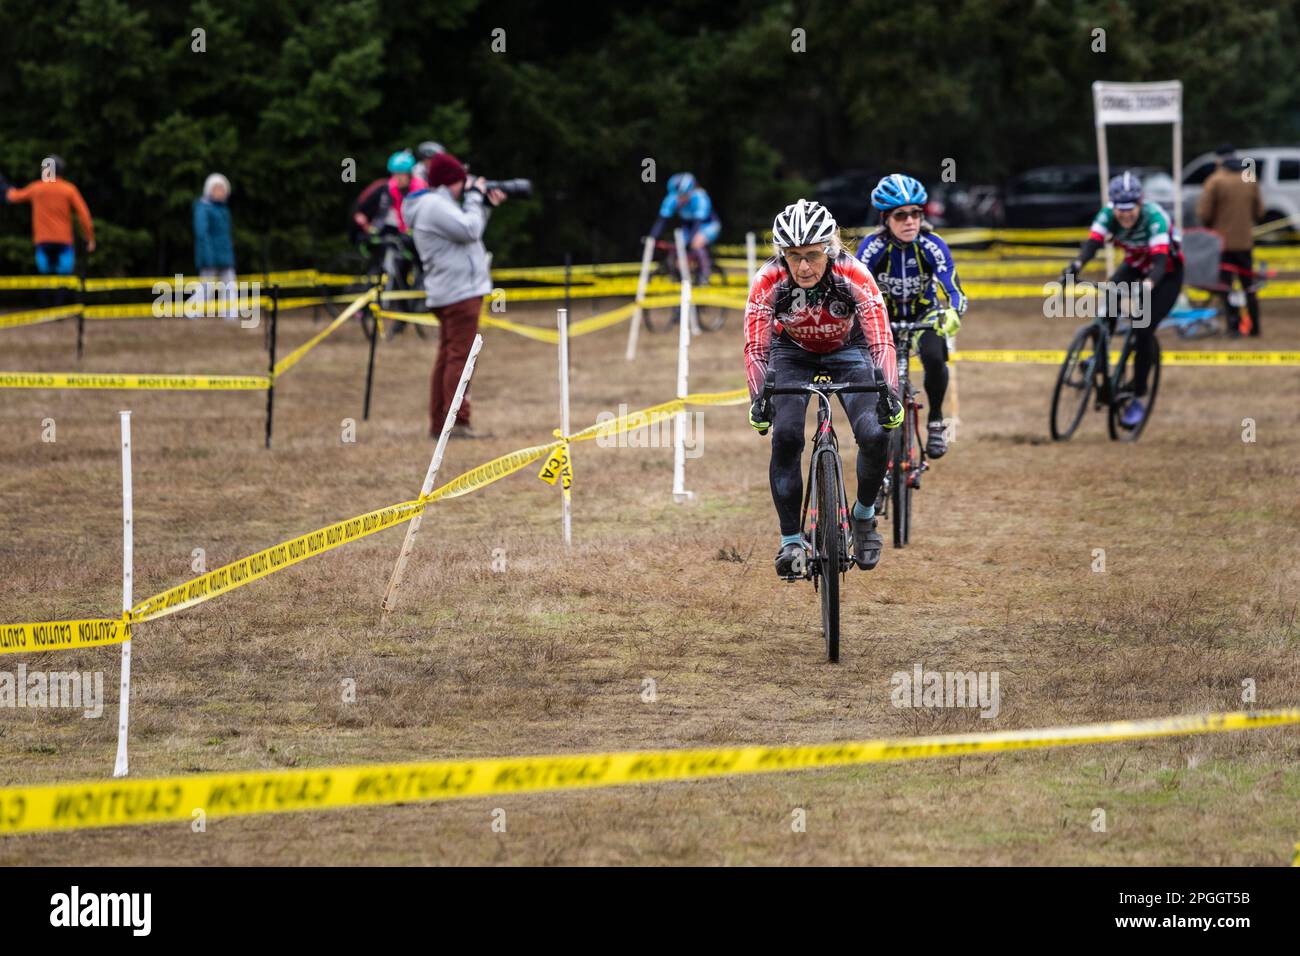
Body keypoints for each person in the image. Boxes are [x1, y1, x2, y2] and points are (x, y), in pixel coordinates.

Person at [745, 199, 903, 577]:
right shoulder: (768, 279)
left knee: (875, 433)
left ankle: (863, 517)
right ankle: (790, 543)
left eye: (813, 256)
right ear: (781, 254)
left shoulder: (854, 273)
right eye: (793, 256)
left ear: (829, 249)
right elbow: (756, 346)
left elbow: (881, 339)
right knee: (784, 437)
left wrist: (890, 393)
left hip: (850, 349)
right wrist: (758, 398)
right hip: (792, 354)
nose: (802, 266)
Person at [856, 174, 966, 458]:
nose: (910, 221)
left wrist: (953, 312)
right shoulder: (872, 246)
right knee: (872, 372)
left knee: (933, 355)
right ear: (885, 219)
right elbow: (854, 289)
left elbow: (954, 289)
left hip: (923, 314)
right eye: (901, 215)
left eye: (916, 213)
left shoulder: (932, 244)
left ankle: (936, 421)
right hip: (884, 318)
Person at [1063, 171, 1184, 428]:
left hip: (1167, 274)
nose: (1125, 214)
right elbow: (1092, 244)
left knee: (1143, 328)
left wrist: (1148, 286)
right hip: (1134, 265)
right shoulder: (1107, 215)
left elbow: (1160, 262)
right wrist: (1075, 266)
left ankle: (1138, 395)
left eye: (1131, 208)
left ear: (1140, 203)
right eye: (1120, 209)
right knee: (1107, 305)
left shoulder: (1155, 218)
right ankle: (1098, 358)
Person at [402, 151, 507, 439]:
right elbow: (470, 230)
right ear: (450, 181)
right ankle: (457, 422)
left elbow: (466, 232)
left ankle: (440, 422)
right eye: (462, 182)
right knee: (461, 357)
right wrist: (475, 198)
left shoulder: (432, 205)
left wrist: (484, 206)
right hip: (459, 292)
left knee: (448, 356)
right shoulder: (435, 205)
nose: (466, 187)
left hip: (451, 290)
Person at [1, 155, 95, 305]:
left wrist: (4, 186)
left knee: (45, 276)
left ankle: (45, 308)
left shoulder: (36, 187)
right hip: (64, 241)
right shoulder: (68, 189)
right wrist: (89, 238)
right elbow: (84, 215)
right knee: (63, 276)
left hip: (42, 241)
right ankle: (59, 309)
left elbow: (12, 197)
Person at [1197, 144, 1264, 337]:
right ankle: (1255, 327)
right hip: (1245, 243)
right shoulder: (1249, 178)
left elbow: (1204, 213)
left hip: (1222, 244)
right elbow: (1260, 211)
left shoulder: (1215, 181)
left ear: (1219, 160)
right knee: (1249, 286)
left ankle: (1233, 327)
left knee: (1226, 287)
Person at [649, 172, 720, 284]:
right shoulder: (672, 198)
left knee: (696, 242)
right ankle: (679, 274)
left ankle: (704, 275)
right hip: (687, 226)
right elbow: (662, 221)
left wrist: (689, 243)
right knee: (678, 246)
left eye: (683, 196)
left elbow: (698, 224)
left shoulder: (701, 198)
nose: (680, 200)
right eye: (678, 196)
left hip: (707, 225)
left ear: (690, 191)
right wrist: (652, 238)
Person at [193, 173, 236, 319]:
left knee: (230, 284)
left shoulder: (224, 210)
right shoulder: (203, 208)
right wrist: (207, 256)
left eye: (222, 189)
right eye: (217, 189)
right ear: (209, 190)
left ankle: (230, 314)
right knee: (206, 287)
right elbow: (201, 233)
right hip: (209, 256)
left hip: (225, 255)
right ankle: (193, 311)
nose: (220, 192)